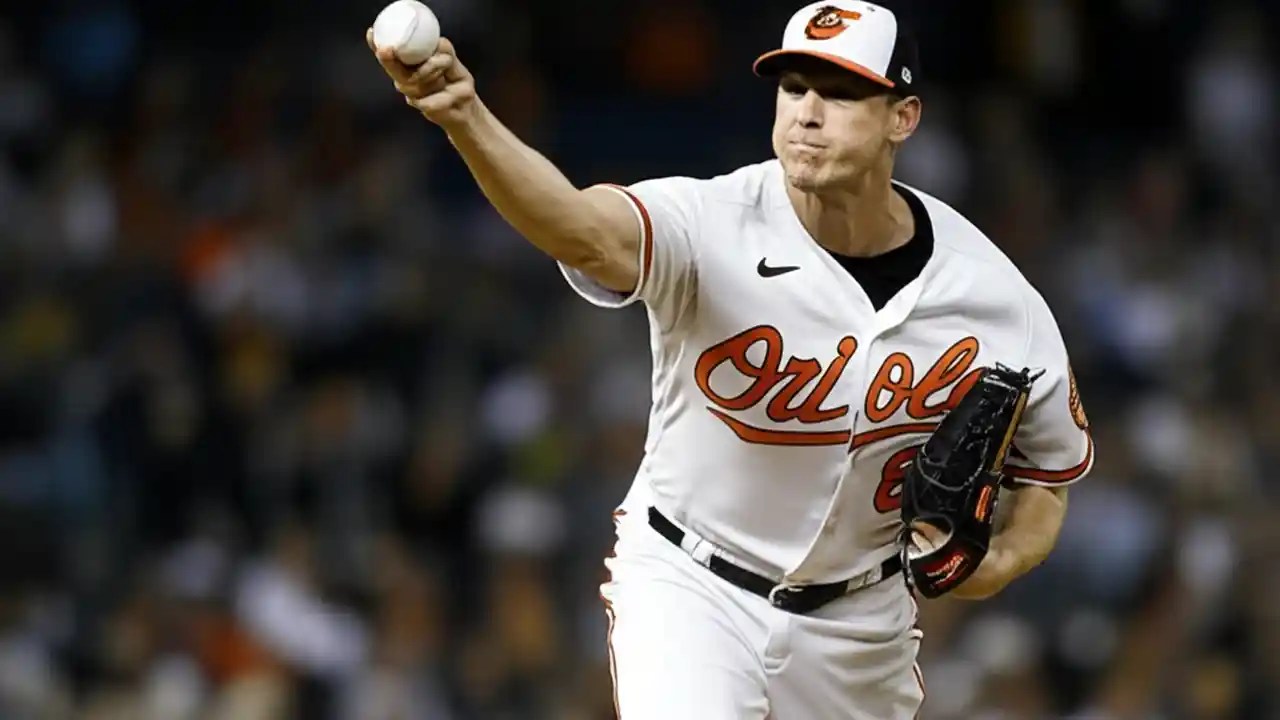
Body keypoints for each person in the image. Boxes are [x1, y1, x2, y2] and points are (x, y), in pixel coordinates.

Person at [368, 1, 1095, 717]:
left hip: (859, 626)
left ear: (902, 119)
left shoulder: (992, 294)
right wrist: (464, 116)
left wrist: (996, 562)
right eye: (793, 88)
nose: (808, 112)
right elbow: (581, 230)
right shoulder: (712, 223)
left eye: (840, 95)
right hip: (691, 587)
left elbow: (1047, 477)